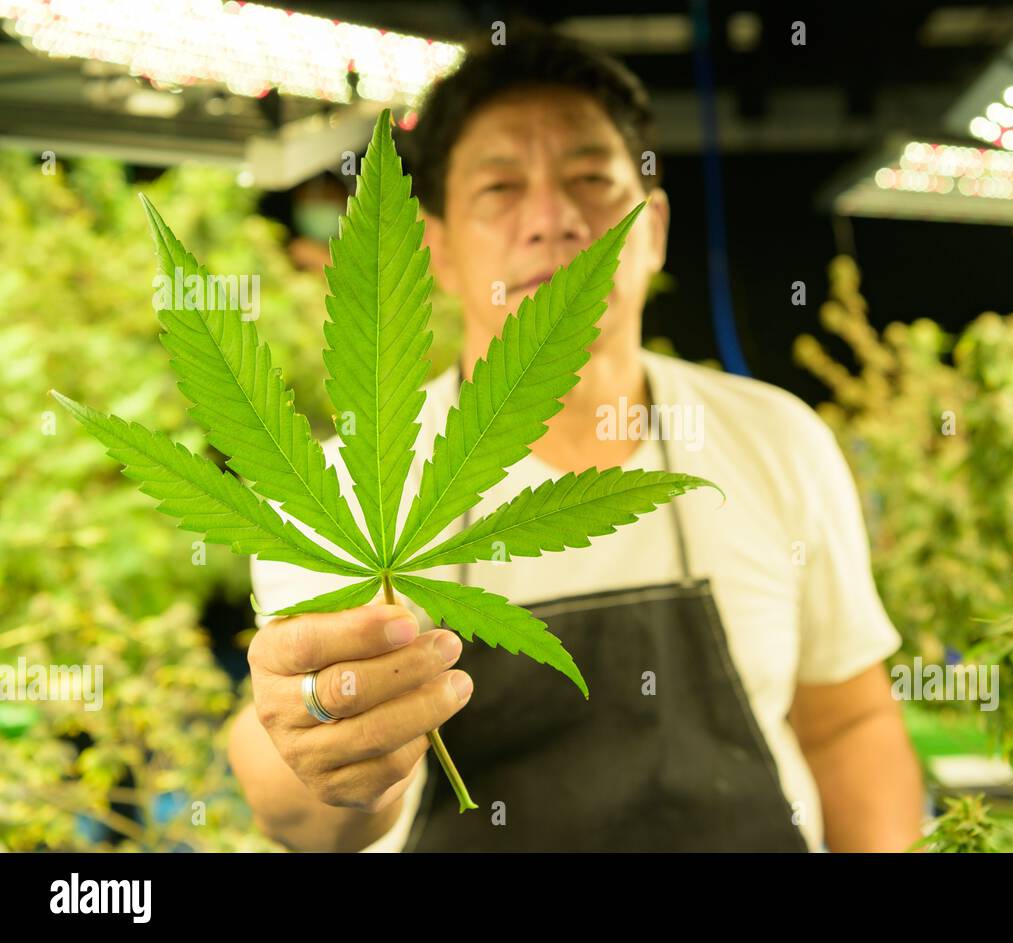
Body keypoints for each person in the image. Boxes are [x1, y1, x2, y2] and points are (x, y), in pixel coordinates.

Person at [227, 25, 924, 852]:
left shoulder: (776, 439)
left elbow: (848, 723)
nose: (552, 220)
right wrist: (315, 755)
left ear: (654, 228)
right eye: (499, 188)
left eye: (591, 178)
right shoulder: (351, 486)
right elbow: (304, 813)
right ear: (439, 250)